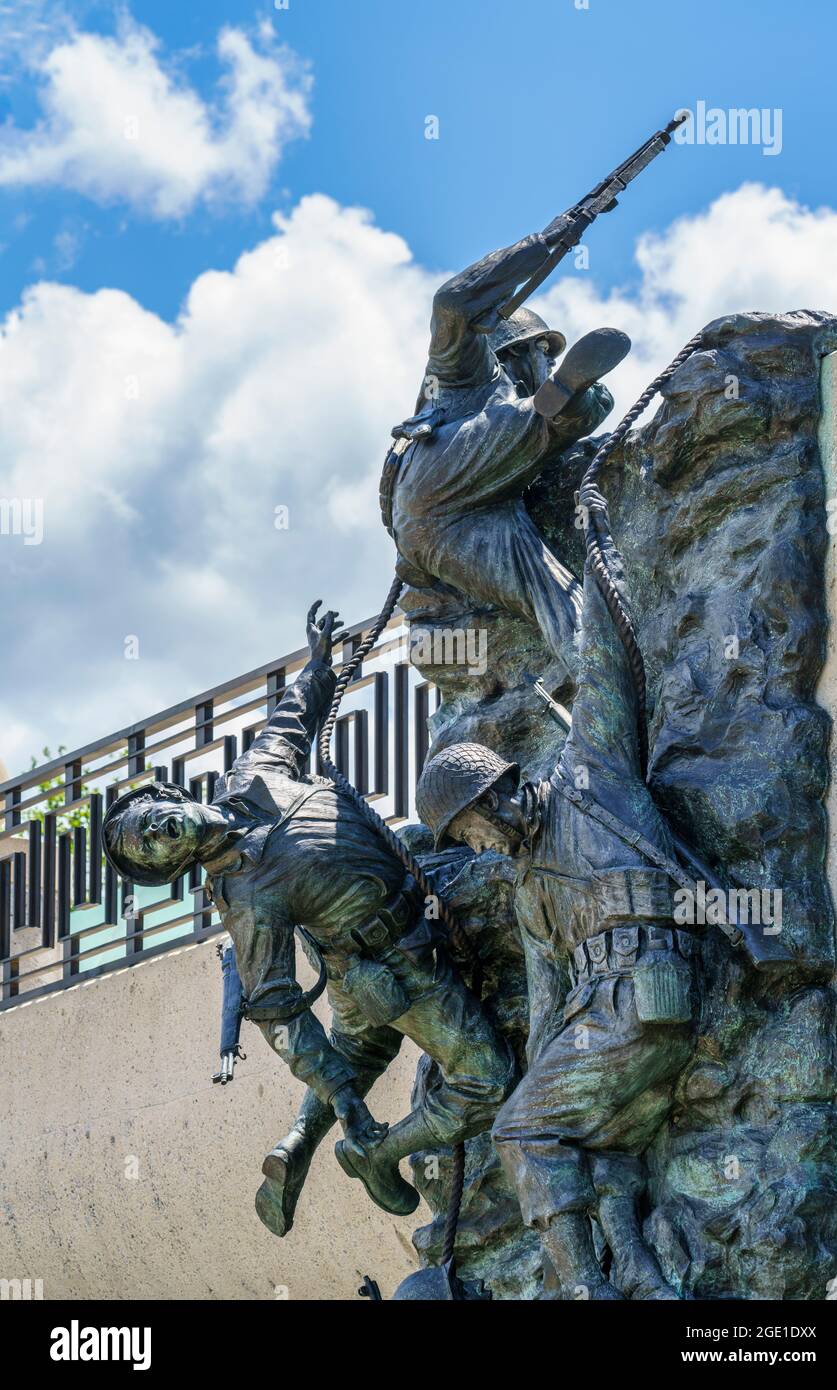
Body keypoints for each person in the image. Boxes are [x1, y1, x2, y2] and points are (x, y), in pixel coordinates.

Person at [102, 602, 514, 1236]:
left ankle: (296, 1142)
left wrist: (319, 666)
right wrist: (350, 1106)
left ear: (170, 798)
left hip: (414, 906)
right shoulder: (244, 899)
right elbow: (275, 1007)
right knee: (485, 1078)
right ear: (173, 864)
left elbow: (289, 724)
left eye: (149, 823)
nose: (157, 833)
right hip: (396, 964)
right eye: (150, 847)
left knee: (363, 1044)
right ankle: (376, 1151)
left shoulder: (253, 777)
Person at [415, 545, 697, 1300]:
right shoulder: (526, 886)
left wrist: (600, 560)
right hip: (636, 1015)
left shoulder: (589, 770)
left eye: (470, 829)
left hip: (639, 998)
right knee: (593, 1135)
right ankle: (639, 1273)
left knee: (521, 1132)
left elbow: (607, 665)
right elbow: (545, 1011)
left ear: (496, 795)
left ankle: (583, 1291)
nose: (477, 847)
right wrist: (541, 1076)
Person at [381, 214, 630, 678]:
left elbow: (601, 405)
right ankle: (557, 403)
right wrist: (545, 242)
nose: (546, 358)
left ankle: (598, 689)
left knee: (556, 598)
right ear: (517, 351)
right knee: (536, 417)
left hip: (437, 531)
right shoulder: (465, 371)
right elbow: (452, 302)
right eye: (544, 352)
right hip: (440, 470)